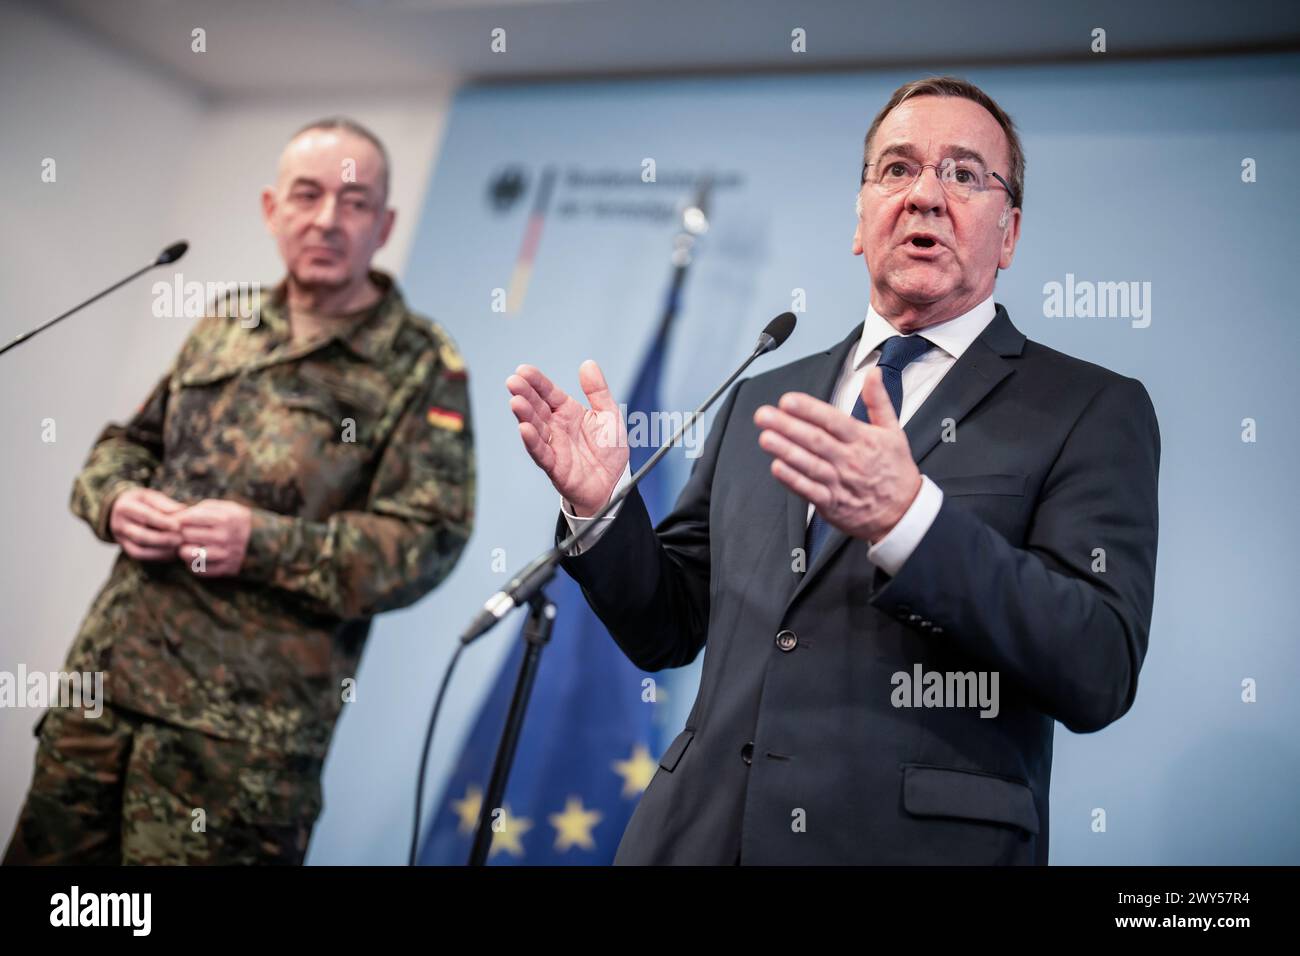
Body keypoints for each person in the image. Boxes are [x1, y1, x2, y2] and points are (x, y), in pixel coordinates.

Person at [506, 76, 1159, 864]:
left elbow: (1098, 664)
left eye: (962, 173)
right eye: (896, 169)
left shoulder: (1087, 407)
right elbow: (671, 625)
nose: (924, 195)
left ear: (1010, 233)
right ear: (860, 220)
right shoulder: (764, 394)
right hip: (702, 839)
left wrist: (912, 522)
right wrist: (603, 506)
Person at [4, 117, 475, 865]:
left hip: (235, 751)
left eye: (353, 203)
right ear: (271, 209)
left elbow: (426, 543)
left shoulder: (422, 366)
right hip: (103, 694)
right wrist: (116, 502)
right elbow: (127, 447)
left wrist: (265, 543)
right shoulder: (227, 322)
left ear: (383, 224)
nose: (327, 219)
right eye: (307, 194)